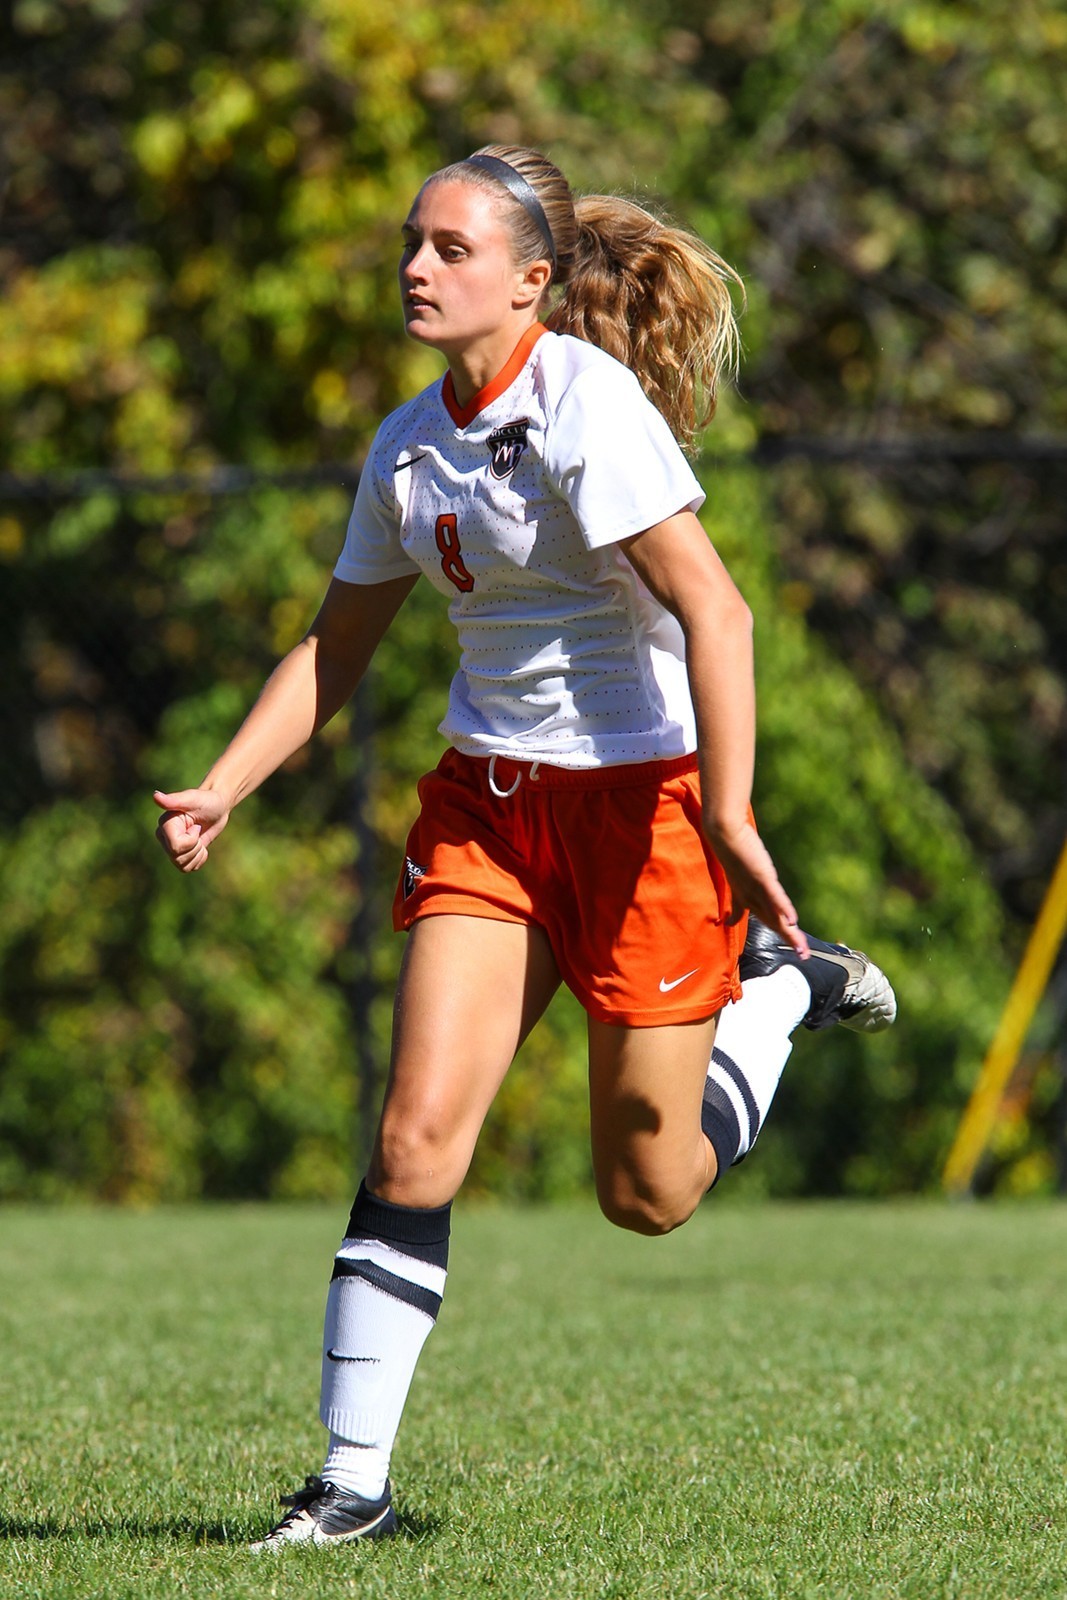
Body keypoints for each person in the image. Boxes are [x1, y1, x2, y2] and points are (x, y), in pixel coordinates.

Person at [154, 145, 896, 1548]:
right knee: (416, 1133)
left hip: (641, 811)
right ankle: (349, 1489)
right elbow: (335, 647)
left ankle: (784, 989)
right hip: (489, 813)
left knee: (647, 1194)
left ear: (531, 282)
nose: (417, 269)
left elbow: (718, 617)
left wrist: (730, 815)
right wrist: (223, 786)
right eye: (411, 244)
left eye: (451, 248)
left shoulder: (587, 407)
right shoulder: (404, 442)